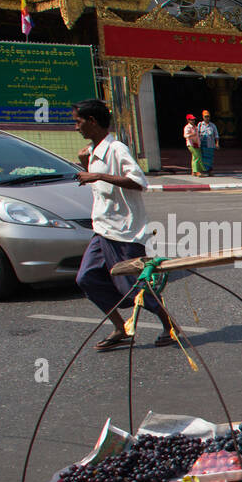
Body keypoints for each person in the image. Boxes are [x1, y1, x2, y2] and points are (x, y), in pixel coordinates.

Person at [72, 99, 177, 351]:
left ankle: (169, 325)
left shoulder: (116, 148)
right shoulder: (92, 151)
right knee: (86, 278)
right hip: (102, 230)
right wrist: (86, 164)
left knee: (137, 288)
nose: (76, 127)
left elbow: (139, 181)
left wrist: (96, 174)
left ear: (92, 121)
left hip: (126, 233)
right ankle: (121, 327)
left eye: (78, 121)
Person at [197, 110, 219, 176]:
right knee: (202, 157)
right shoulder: (200, 125)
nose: (207, 118)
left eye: (208, 117)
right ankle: (203, 171)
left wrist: (217, 143)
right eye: (206, 116)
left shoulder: (213, 125)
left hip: (210, 144)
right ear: (203, 117)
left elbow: (216, 135)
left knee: (210, 158)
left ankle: (209, 171)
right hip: (202, 144)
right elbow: (197, 134)